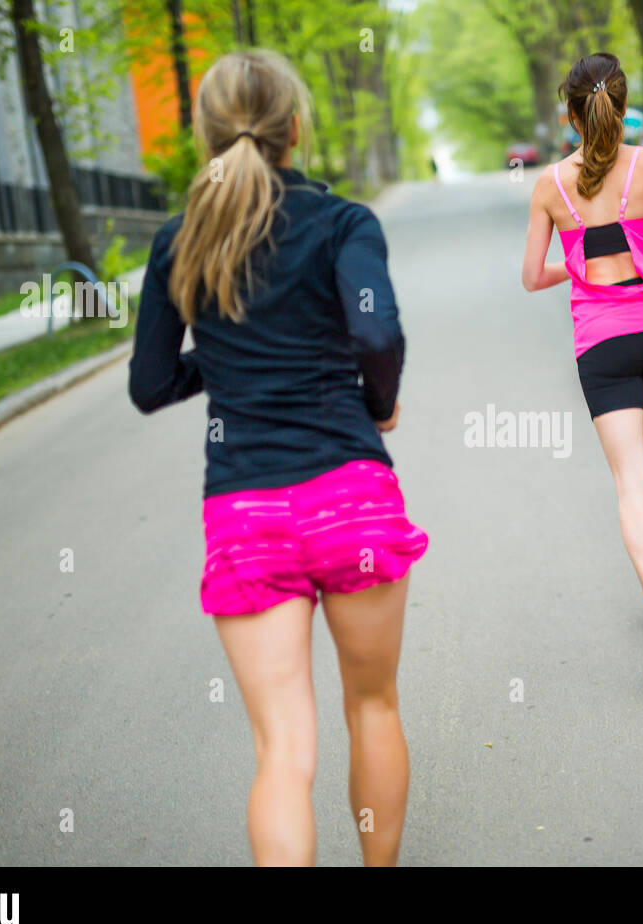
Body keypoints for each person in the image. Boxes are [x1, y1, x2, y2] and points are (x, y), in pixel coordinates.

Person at [128, 50, 427, 866]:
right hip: (350, 496)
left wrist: (229, 364)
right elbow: (375, 331)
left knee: (283, 750)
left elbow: (150, 383)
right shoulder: (342, 223)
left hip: (246, 514)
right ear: (295, 129)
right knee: (373, 706)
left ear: (207, 135)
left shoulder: (179, 239)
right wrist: (378, 403)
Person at [521, 53, 643, 686]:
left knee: (630, 483)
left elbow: (531, 276)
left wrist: (580, 264)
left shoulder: (551, 185)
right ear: (623, 107)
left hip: (602, 343)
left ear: (571, 116)